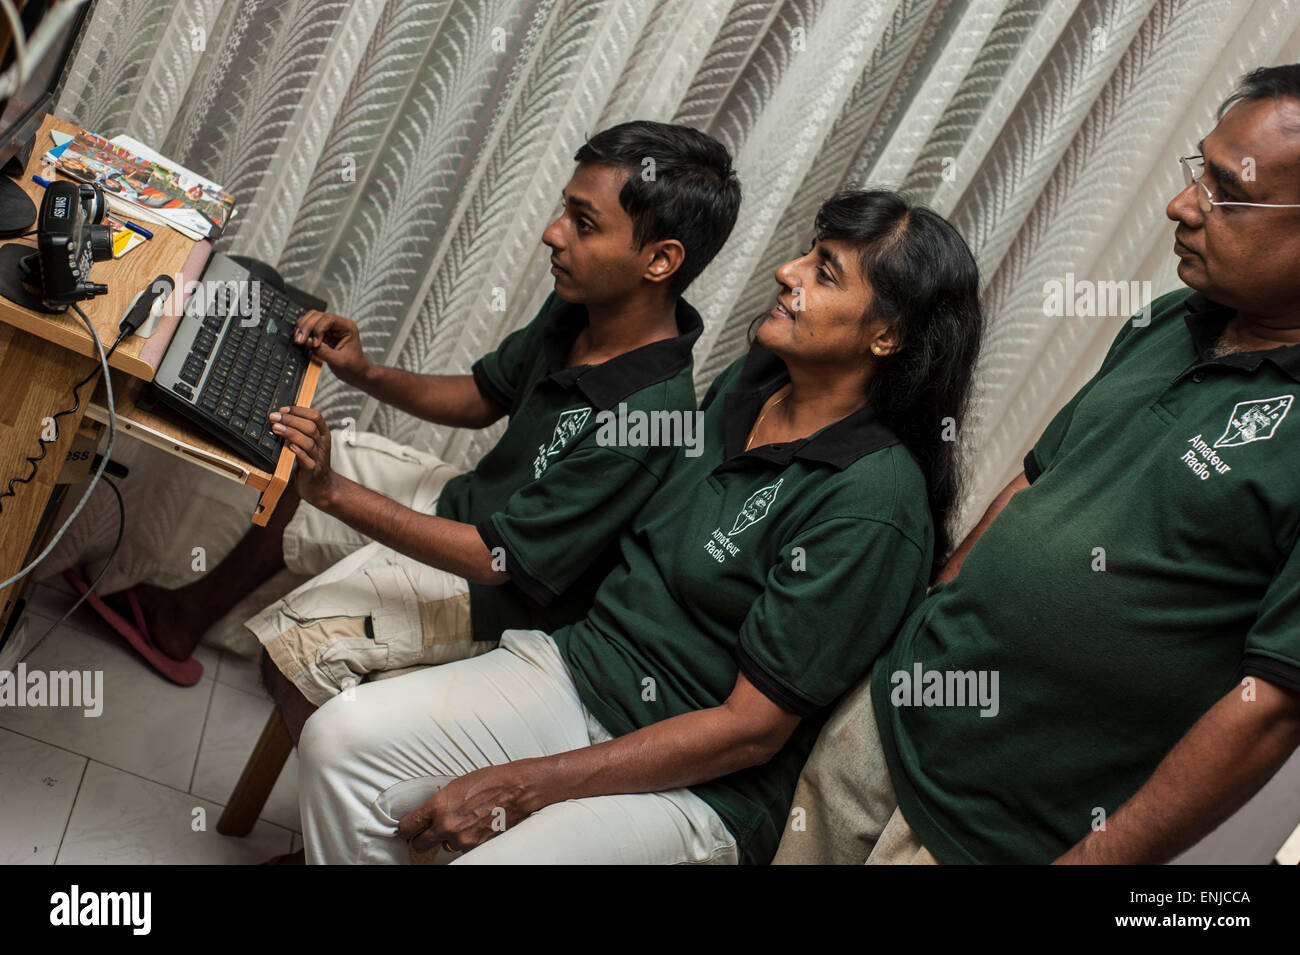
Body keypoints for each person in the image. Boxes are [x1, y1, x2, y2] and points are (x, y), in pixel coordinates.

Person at [294, 189, 984, 864]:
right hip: (582, 670)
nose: (788, 270)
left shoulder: (875, 505)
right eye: (807, 250)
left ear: (887, 334)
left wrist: (534, 782)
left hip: (699, 788)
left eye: (824, 271)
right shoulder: (755, 380)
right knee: (338, 740)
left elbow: (749, 732)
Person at [773, 65, 1300, 866]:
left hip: (1004, 833)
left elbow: (1271, 707)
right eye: (1201, 171)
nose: (1182, 205)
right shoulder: (1168, 321)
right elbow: (1038, 480)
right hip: (888, 722)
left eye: (1228, 191)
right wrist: (918, 628)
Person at [103, 121, 741, 741]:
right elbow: (481, 396)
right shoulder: (582, 303)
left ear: (659, 260)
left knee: (293, 659)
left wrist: (337, 495)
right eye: (563, 210)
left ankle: (345, 844)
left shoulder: (650, 420)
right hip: (473, 512)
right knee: (303, 467)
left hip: (509, 602)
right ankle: (184, 616)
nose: (553, 234)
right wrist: (366, 372)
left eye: (583, 222)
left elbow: (497, 562)